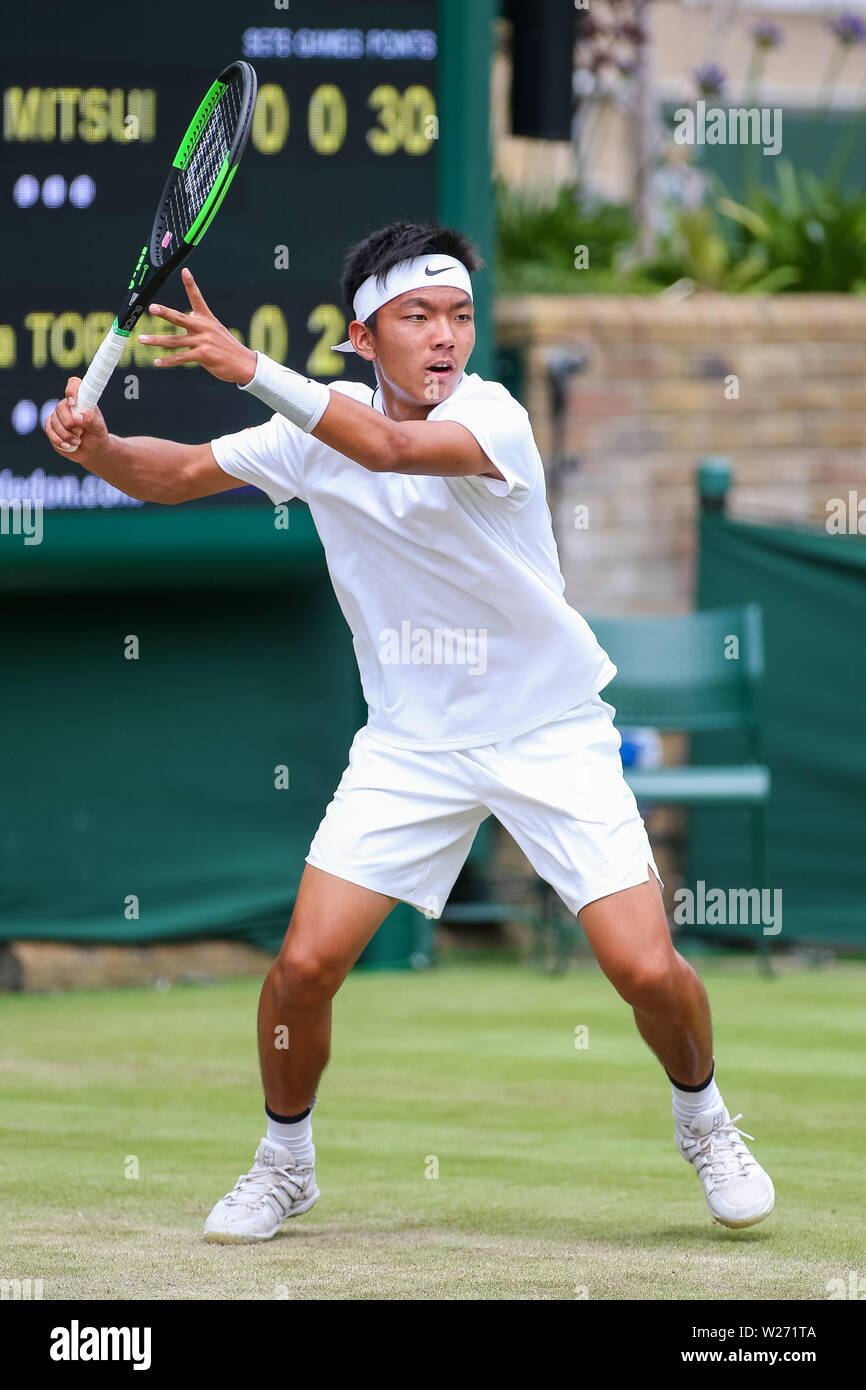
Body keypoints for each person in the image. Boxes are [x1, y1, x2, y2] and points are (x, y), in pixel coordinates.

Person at [45, 219, 774, 1243]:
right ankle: (283, 1161)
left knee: (645, 969)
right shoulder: (316, 421)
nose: (444, 337)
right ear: (361, 336)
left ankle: (702, 1118)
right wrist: (102, 448)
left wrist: (248, 365)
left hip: (548, 731)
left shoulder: (493, 416)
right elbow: (171, 476)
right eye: (417, 317)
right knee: (301, 968)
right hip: (409, 747)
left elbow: (385, 451)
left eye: (459, 316)